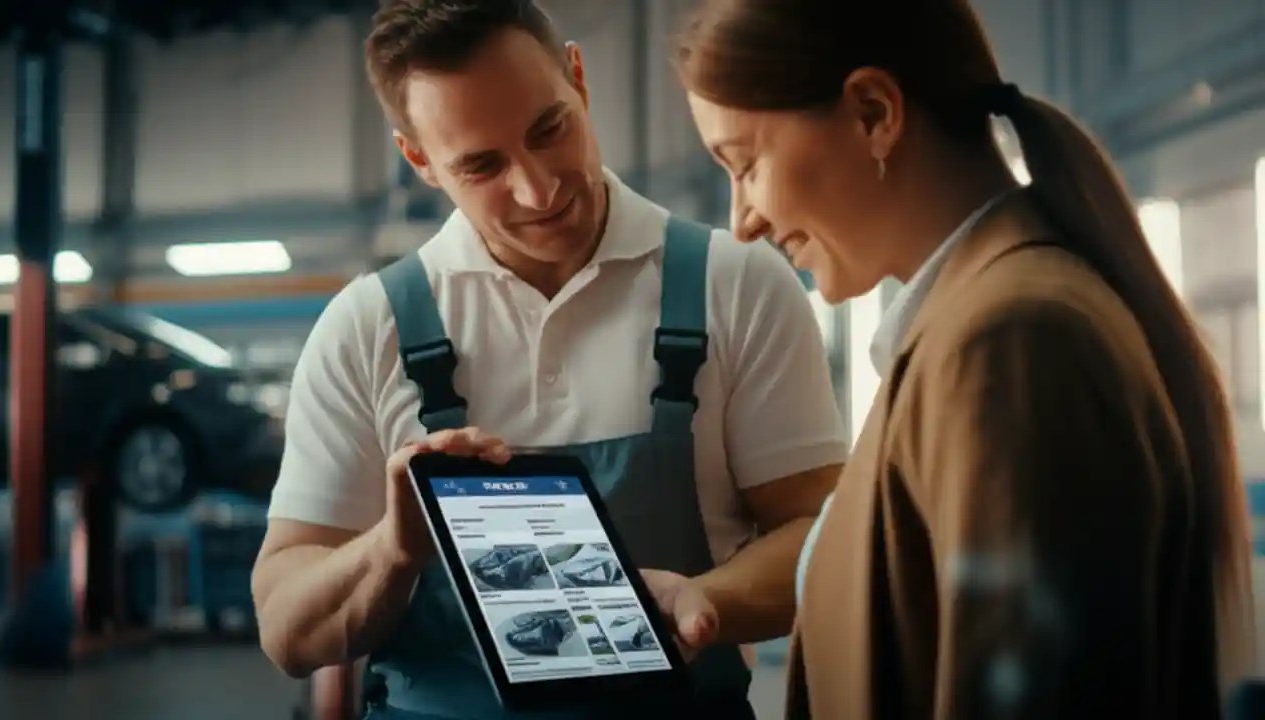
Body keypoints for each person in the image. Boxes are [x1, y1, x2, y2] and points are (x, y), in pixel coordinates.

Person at [250, 1, 846, 718]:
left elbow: (825, 538)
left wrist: (704, 602)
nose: (538, 189)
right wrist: (394, 549)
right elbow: (287, 630)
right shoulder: (365, 329)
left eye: (549, 129)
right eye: (481, 165)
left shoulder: (736, 285)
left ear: (578, 77)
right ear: (419, 159)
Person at [672, 0, 1257, 718]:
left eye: (746, 164)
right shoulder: (972, 329)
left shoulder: (1010, 344)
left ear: (873, 114)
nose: (741, 219)